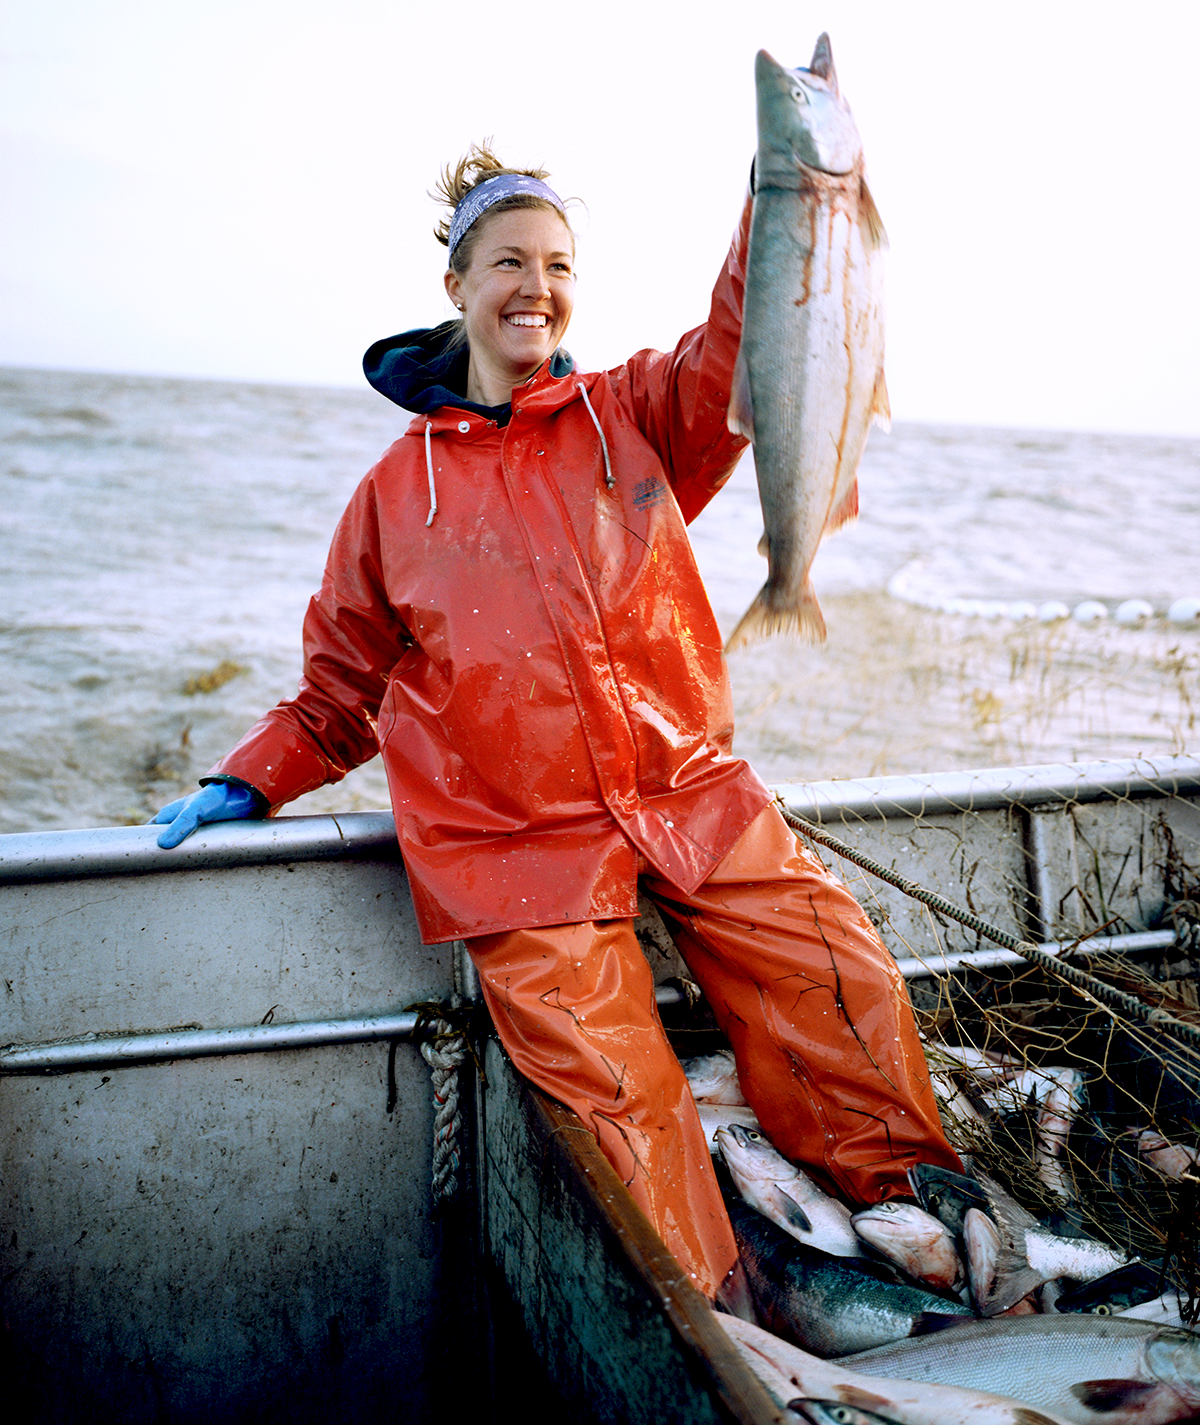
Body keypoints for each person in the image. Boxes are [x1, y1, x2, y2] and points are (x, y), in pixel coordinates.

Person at [154, 144, 961, 1306]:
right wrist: (253, 779)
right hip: (515, 848)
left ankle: (924, 1226)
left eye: (558, 264)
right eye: (507, 263)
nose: (536, 285)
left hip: (687, 792)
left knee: (841, 978)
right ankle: (716, 1329)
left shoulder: (635, 414)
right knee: (618, 1112)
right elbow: (341, 692)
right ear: (457, 288)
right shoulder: (394, 490)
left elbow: (743, 349)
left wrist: (783, 200)